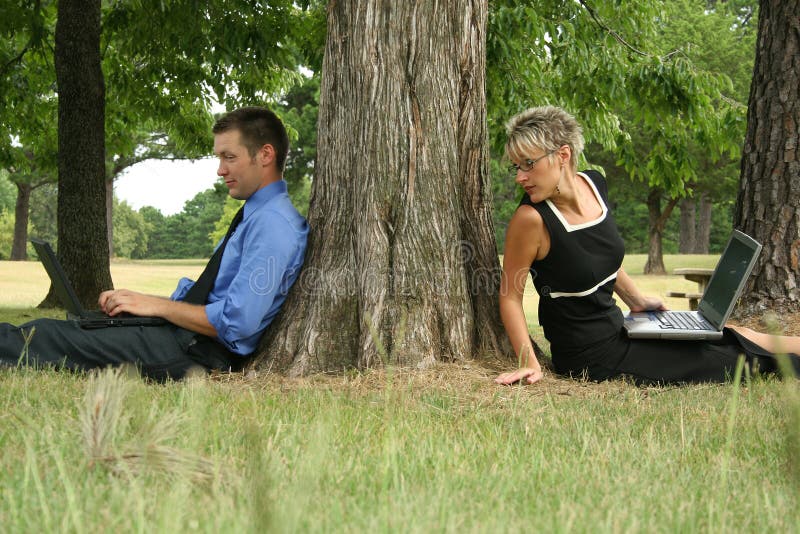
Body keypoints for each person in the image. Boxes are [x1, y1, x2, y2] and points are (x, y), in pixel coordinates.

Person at [494, 106, 800, 386]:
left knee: (734, 335)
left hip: (621, 329)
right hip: (592, 356)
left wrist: (636, 300)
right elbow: (510, 297)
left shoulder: (594, 184)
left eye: (528, 164)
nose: (520, 177)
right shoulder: (531, 220)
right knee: (740, 362)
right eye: (516, 167)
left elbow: (601, 258)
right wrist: (529, 362)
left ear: (563, 154)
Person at [0, 106, 308, 381]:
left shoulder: (274, 225)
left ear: (265, 155)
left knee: (47, 337)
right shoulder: (255, 216)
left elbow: (237, 325)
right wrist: (142, 303)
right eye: (219, 158)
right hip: (184, 337)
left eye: (229, 157)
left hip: (197, 353)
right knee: (73, 328)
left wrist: (157, 306)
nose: (220, 169)